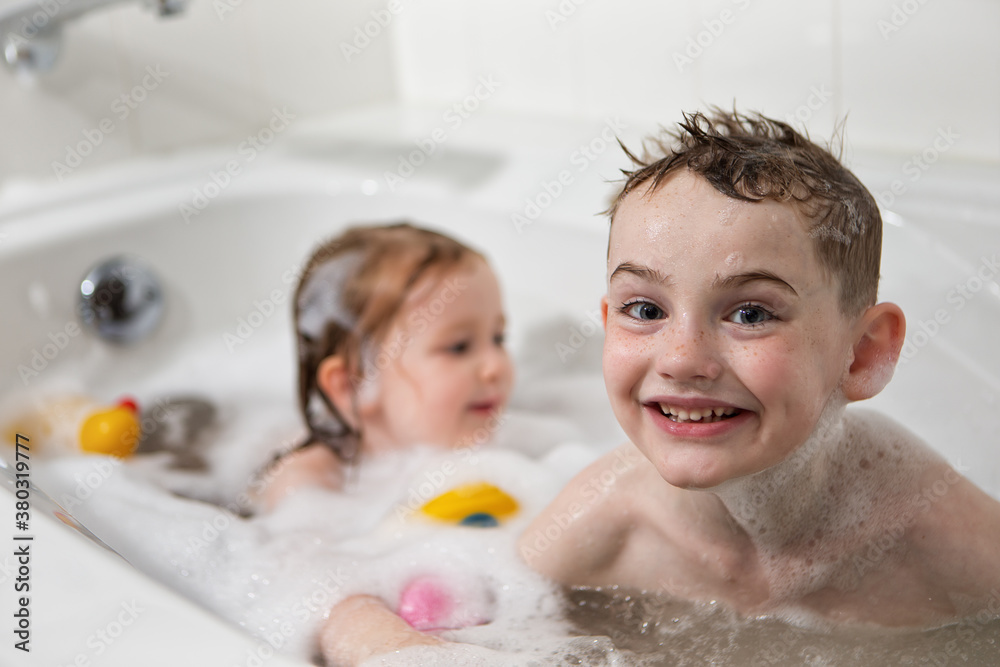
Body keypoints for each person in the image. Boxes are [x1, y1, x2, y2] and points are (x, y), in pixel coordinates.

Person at [316, 110, 1000, 664]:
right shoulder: (607, 521)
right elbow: (346, 610)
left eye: (750, 312)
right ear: (608, 321)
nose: (682, 358)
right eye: (646, 310)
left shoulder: (934, 532)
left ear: (863, 353)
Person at [255, 222, 514, 509]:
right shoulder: (307, 484)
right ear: (355, 384)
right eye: (458, 347)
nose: (495, 367)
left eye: (498, 338)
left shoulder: (513, 447)